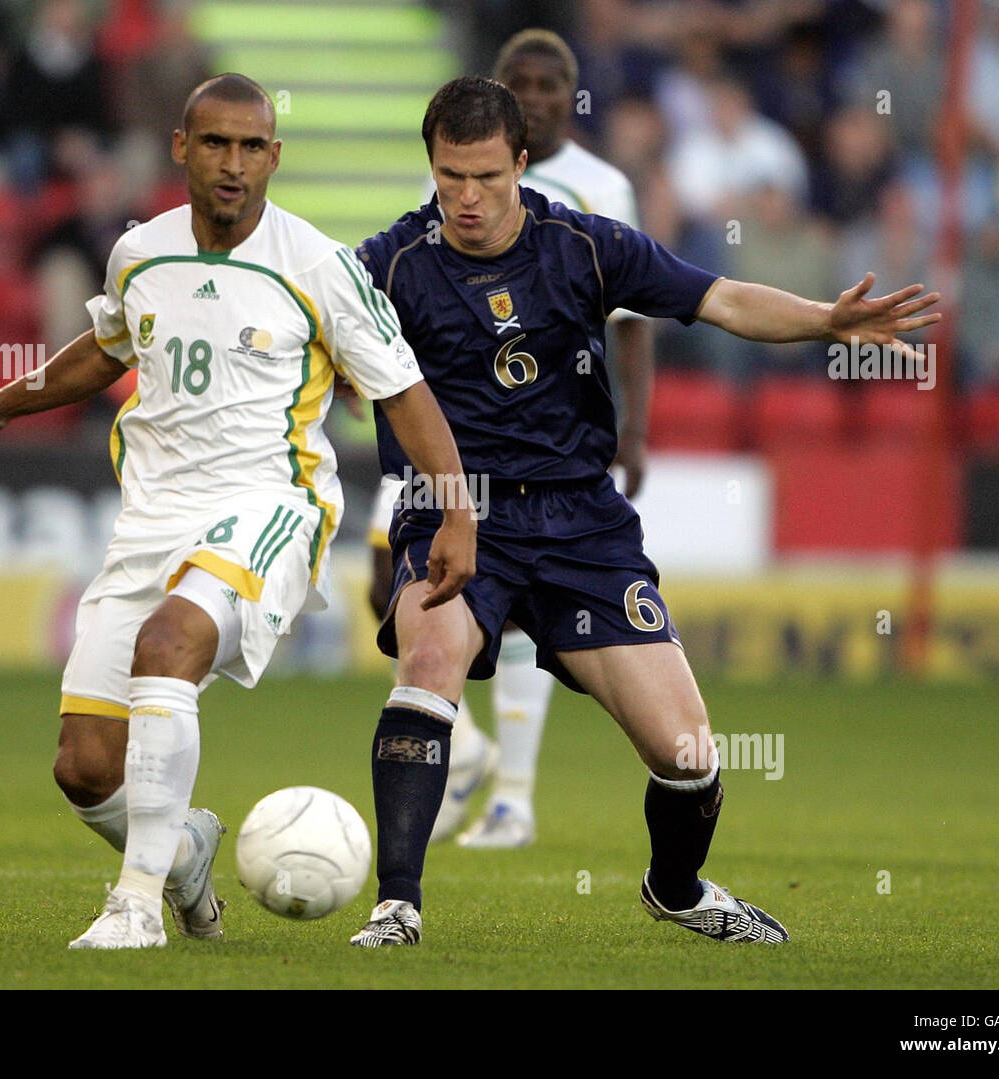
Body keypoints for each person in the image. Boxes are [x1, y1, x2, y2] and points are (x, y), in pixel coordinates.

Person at [349, 76, 939, 947]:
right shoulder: (391, 263)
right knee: (428, 662)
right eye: (448, 178)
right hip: (456, 508)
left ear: (521, 162)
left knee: (689, 755)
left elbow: (721, 297)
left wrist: (825, 319)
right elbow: (313, 337)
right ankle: (397, 905)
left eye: (484, 176)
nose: (466, 199)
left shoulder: (582, 246)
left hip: (581, 520)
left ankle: (676, 887)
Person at [0, 73, 476, 950]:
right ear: (181, 148)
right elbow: (107, 348)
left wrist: (457, 512)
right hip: (150, 518)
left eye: (251, 147)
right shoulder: (139, 251)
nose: (233, 165)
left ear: (275, 156)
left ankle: (136, 905)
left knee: (169, 647)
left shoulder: (320, 266)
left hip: (272, 507)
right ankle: (183, 853)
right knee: (84, 767)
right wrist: (0, 402)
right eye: (215, 144)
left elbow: (404, 390)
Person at [367, 29, 656, 850]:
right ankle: (463, 750)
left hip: (546, 453)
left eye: (550, 82)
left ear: (568, 96)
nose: (535, 92)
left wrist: (633, 426)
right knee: (391, 597)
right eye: (519, 80)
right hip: (438, 439)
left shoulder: (599, 192)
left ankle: (513, 795)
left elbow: (636, 313)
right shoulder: (456, 171)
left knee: (524, 613)